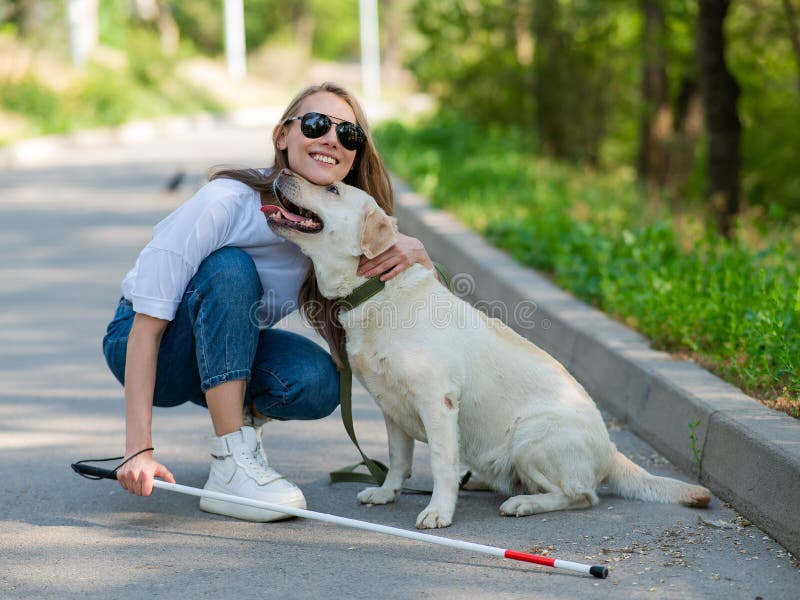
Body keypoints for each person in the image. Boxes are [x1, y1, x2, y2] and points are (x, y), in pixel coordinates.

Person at [102, 82, 436, 522]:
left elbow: (385, 333)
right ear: (283, 135)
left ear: (355, 153)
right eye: (317, 125)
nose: (332, 139)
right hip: (152, 347)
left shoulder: (335, 228)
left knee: (319, 380)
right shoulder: (225, 203)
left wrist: (420, 256)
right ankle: (230, 461)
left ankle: (238, 429)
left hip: (226, 347)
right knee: (232, 268)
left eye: (349, 134)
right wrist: (138, 450)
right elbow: (146, 328)